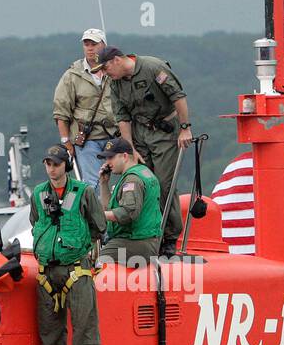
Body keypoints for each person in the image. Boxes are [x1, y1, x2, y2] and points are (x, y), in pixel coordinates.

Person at [94, 46, 191, 256]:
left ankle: (169, 236)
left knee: (164, 184)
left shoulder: (153, 67)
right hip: (139, 133)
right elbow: (122, 116)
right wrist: (130, 148)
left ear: (117, 60)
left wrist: (185, 128)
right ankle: (140, 231)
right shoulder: (116, 83)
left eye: (106, 68)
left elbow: (178, 97)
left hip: (164, 132)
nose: (105, 73)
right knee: (138, 181)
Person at [28, 145, 106, 345]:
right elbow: (35, 222)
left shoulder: (83, 192)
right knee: (50, 328)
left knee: (85, 325)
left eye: (57, 164)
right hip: (47, 271)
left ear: (66, 165)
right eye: (49, 164)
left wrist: (80, 244)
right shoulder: (38, 194)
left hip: (76, 269)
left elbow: (99, 225)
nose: (52, 169)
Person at [53, 29, 119, 188]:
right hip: (88, 138)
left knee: (129, 177)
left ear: (103, 45)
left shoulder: (115, 70)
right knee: (92, 183)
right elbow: (61, 111)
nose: (90, 48)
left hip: (116, 135)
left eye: (94, 44)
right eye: (86, 44)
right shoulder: (72, 75)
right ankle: (96, 212)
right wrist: (66, 141)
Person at [95, 137, 162, 265]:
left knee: (99, 262)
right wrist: (104, 183)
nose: (107, 162)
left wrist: (97, 215)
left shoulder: (132, 180)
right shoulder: (143, 171)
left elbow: (127, 213)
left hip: (136, 240)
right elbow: (111, 208)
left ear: (124, 156)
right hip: (145, 239)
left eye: (111, 158)